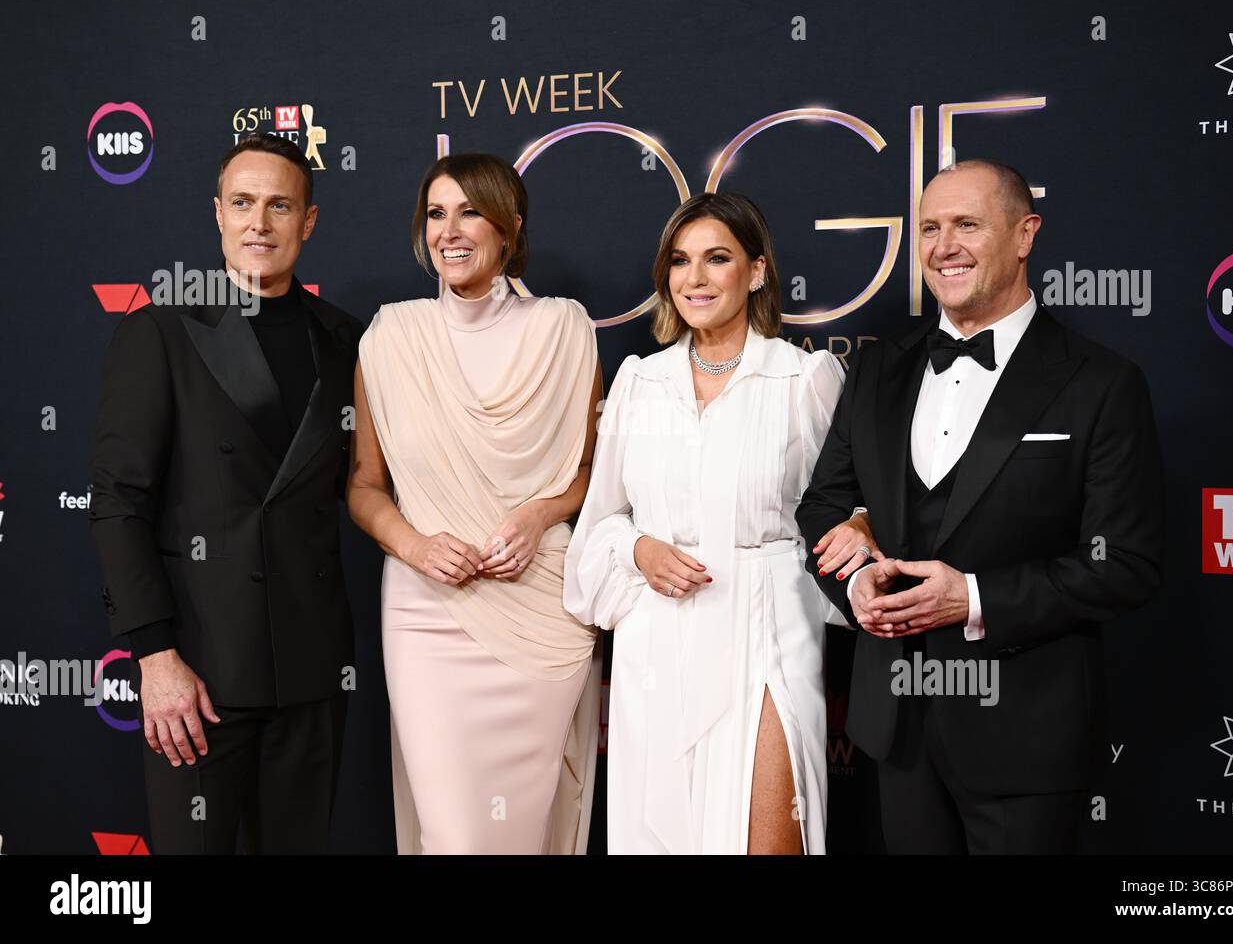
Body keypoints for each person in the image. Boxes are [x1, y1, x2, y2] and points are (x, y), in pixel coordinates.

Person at [797, 159, 1163, 853]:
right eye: (930, 228)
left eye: (968, 224)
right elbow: (823, 505)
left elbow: (1128, 566)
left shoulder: (1102, 383)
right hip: (895, 725)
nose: (944, 246)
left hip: (1026, 737)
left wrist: (970, 598)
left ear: (1025, 235)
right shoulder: (879, 368)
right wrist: (852, 580)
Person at [564, 192, 876, 854]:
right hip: (658, 639)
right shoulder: (639, 384)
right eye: (679, 261)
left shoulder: (804, 378)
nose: (695, 279)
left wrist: (862, 527)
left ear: (756, 271)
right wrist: (639, 548)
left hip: (767, 630)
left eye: (717, 258)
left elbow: (854, 504)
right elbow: (599, 525)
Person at [89, 133, 361, 853]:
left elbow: (371, 483)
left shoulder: (345, 342)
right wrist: (155, 657)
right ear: (217, 214)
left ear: (308, 221)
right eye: (242, 203)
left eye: (279, 206)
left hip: (310, 671)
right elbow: (118, 501)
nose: (258, 224)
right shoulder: (162, 330)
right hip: (198, 677)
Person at [348, 152, 602, 854]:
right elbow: (365, 486)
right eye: (435, 213)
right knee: (457, 835)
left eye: (470, 211)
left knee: (522, 829)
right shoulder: (390, 337)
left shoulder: (563, 328)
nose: (449, 231)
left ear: (509, 228)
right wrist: (416, 545)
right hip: (427, 614)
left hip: (540, 607)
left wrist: (540, 514)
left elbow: (588, 470)